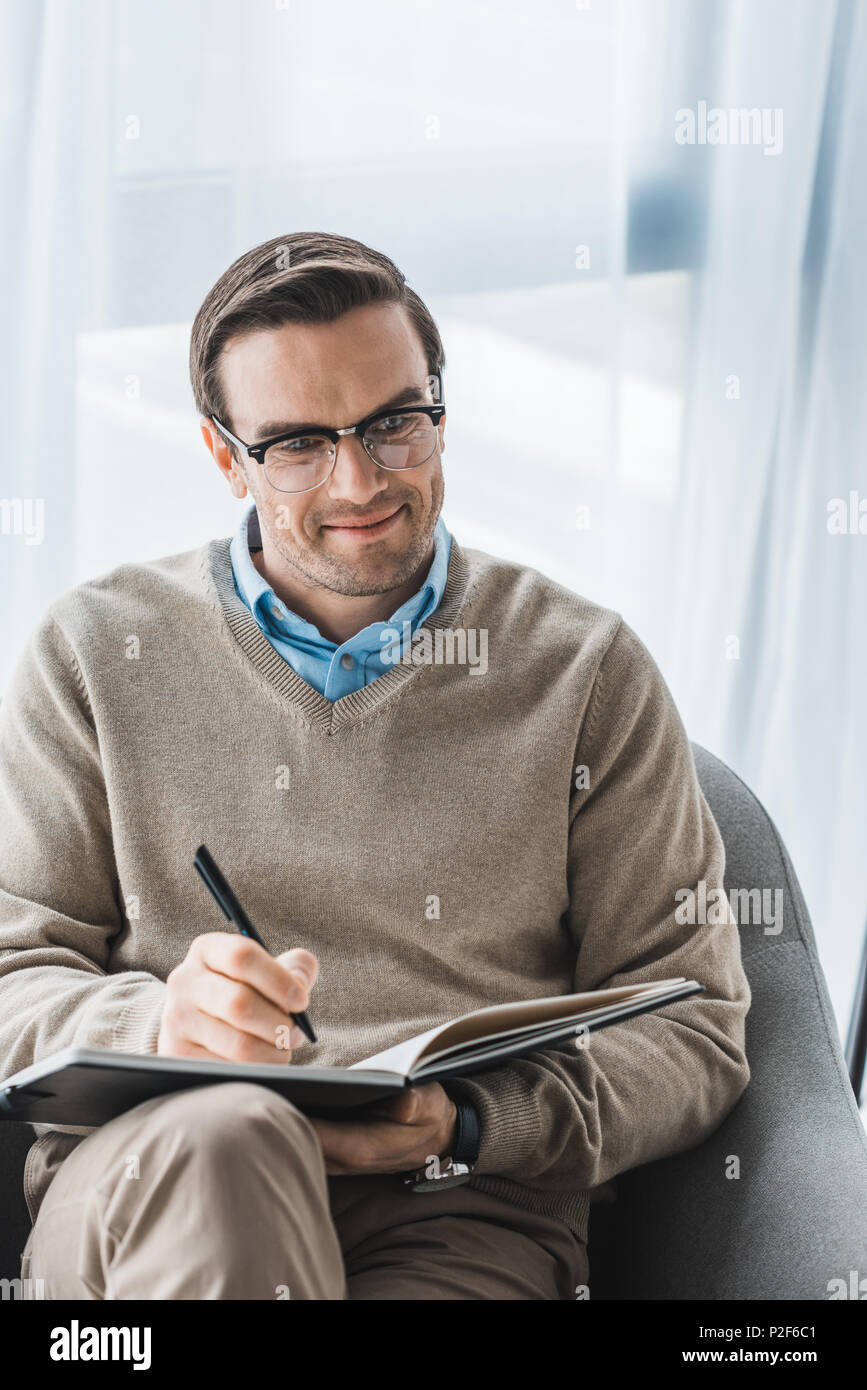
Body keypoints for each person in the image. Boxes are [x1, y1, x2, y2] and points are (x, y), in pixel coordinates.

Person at [0, 231, 750, 1300]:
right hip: (159, 1174)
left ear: (439, 410)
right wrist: (159, 1023)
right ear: (225, 457)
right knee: (232, 1134)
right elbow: (11, 974)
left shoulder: (584, 671)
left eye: (395, 422)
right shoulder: (91, 655)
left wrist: (475, 1120)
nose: (360, 481)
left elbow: (695, 1023)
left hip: (458, 1207)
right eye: (299, 442)